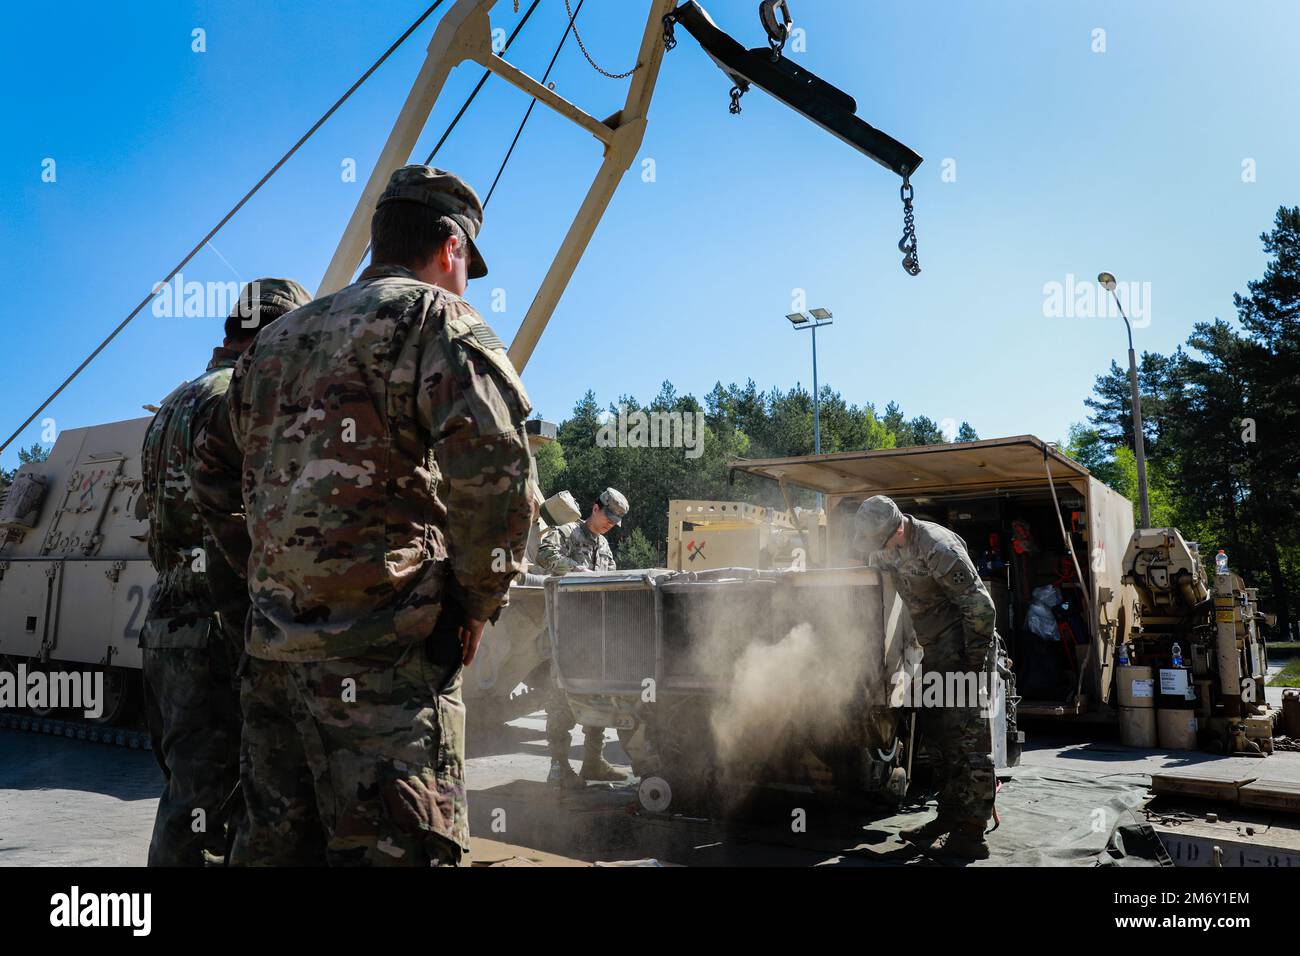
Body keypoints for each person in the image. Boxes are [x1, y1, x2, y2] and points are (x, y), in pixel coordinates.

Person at [193, 164, 534, 866]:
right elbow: (498, 475)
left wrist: (262, 579)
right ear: (451, 250)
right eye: (467, 263)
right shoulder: (434, 319)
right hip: (386, 666)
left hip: (275, 669)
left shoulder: (273, 346)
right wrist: (472, 603)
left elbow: (210, 468)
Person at [139, 277, 311, 866]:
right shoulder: (237, 401)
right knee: (208, 798)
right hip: (220, 621)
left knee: (191, 788)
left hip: (166, 616)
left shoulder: (172, 404)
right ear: (271, 333)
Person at [855, 494, 997, 860]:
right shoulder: (887, 546)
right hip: (934, 651)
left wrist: (973, 663)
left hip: (966, 650)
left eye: (883, 542)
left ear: (898, 528)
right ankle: (947, 817)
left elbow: (981, 608)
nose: (881, 551)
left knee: (968, 746)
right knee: (939, 739)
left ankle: (972, 833)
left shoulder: (937, 546)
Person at [536, 487, 630, 788]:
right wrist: (574, 569)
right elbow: (544, 554)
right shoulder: (566, 532)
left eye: (615, 522)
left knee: (597, 695)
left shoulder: (604, 548)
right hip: (566, 628)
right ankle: (558, 766)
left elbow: (611, 580)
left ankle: (592, 761)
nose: (610, 524)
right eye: (608, 517)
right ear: (595, 508)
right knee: (561, 696)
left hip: (596, 633)